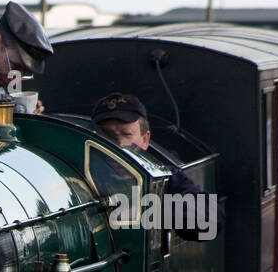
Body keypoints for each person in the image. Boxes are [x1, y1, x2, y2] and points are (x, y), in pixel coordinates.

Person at [91, 92, 220, 238]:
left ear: (145, 139)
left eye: (126, 134)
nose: (119, 144)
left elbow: (212, 220)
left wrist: (150, 211)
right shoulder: (83, 170)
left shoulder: (165, 177)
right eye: (108, 135)